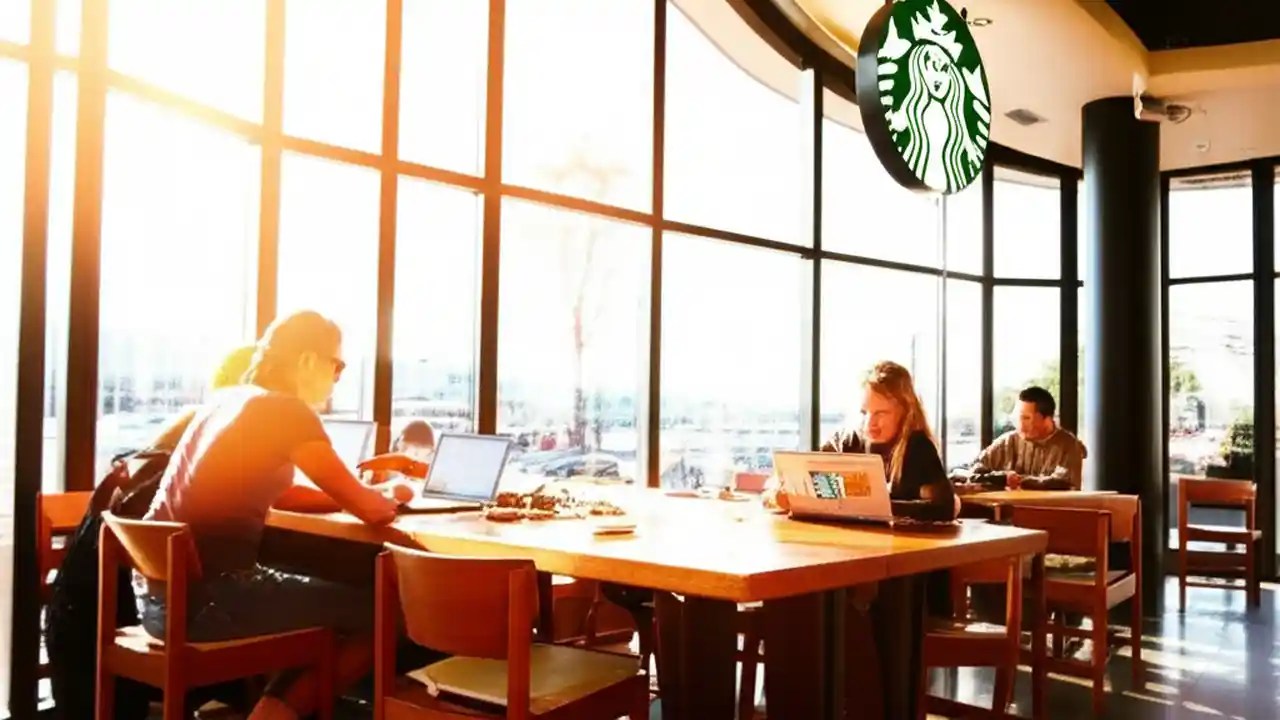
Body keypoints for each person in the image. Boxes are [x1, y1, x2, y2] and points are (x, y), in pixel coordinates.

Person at [138, 310, 400, 720]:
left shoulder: (226, 401)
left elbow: (283, 496)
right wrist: (394, 493)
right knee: (386, 610)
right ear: (307, 360)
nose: (337, 378)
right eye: (337, 365)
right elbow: (372, 510)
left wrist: (347, 498)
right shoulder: (285, 411)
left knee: (326, 600)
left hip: (157, 602)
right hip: (210, 600)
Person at [766, 360, 957, 521]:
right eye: (865, 413)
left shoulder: (917, 448)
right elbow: (795, 482)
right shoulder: (848, 441)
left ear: (905, 412)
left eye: (881, 413)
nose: (870, 423)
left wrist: (873, 508)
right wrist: (782, 495)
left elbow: (945, 508)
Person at [964, 386, 1086, 490]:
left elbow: (1063, 483)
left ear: (1047, 420)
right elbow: (975, 468)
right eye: (1018, 418)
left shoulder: (1069, 446)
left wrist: (1019, 480)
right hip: (1009, 509)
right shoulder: (1008, 442)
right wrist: (1000, 478)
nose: (1020, 425)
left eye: (1026, 418)